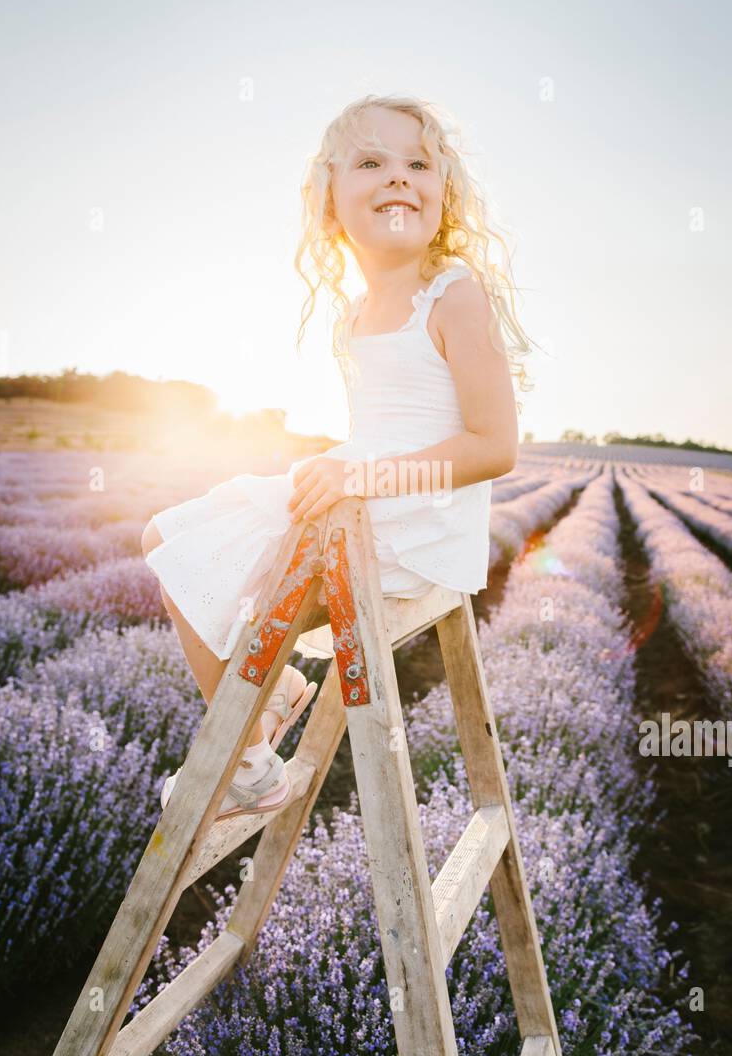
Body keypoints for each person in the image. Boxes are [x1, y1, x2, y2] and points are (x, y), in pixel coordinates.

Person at [142, 92, 535, 819]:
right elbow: (380, 427)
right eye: (371, 162)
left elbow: (494, 446)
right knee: (164, 535)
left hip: (418, 521)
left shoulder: (454, 296)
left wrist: (360, 476)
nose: (397, 177)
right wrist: (343, 472)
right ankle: (279, 690)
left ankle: (250, 765)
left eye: (418, 163)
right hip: (370, 499)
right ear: (330, 202)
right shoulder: (354, 315)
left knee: (196, 559)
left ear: (443, 193)